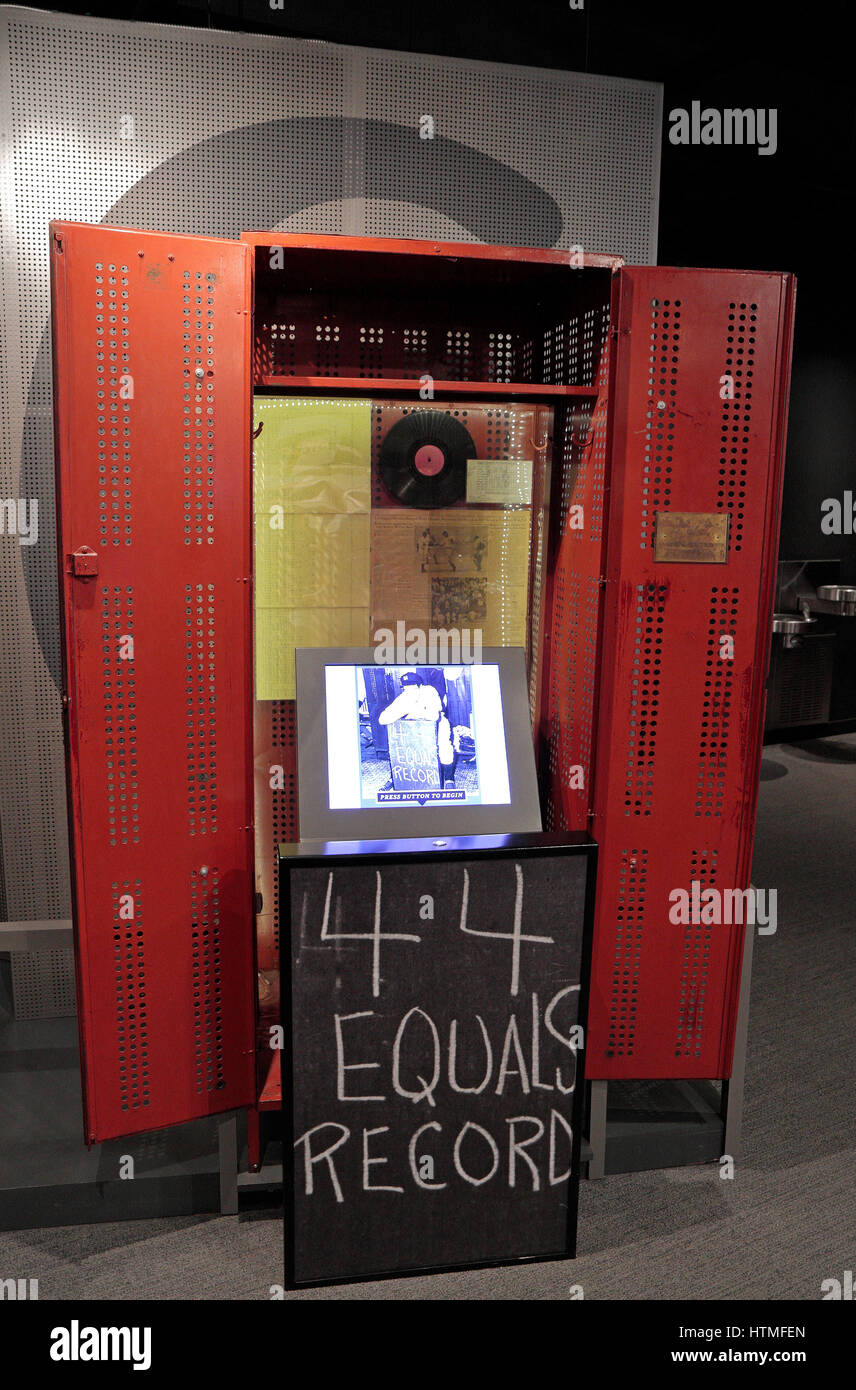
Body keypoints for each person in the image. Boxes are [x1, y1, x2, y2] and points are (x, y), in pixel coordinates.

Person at [378, 671, 455, 786]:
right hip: (415, 730)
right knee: (401, 749)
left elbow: (433, 716)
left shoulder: (429, 691)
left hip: (439, 725)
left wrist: (410, 709)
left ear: (420, 686)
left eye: (412, 688)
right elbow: (383, 719)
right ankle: (395, 778)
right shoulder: (404, 697)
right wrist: (402, 709)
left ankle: (449, 779)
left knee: (445, 747)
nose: (409, 692)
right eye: (406, 688)